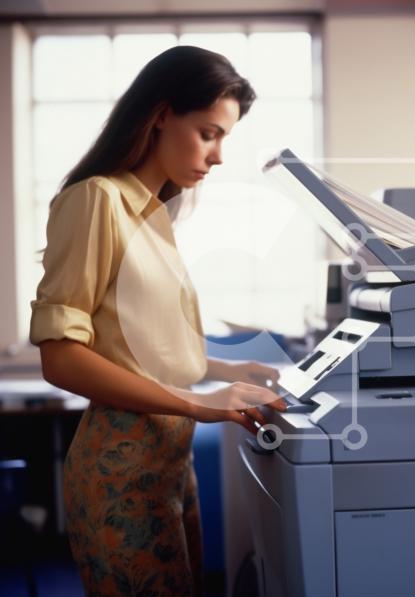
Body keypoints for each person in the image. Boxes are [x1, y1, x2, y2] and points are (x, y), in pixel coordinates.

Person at [29, 45, 287, 596]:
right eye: (209, 132)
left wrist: (226, 365)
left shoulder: (153, 212)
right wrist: (199, 401)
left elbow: (140, 343)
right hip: (121, 466)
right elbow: (60, 355)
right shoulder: (96, 199)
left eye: (224, 139)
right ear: (161, 114)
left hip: (170, 461)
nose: (217, 156)